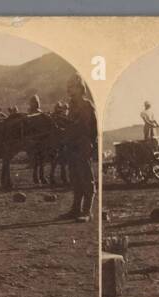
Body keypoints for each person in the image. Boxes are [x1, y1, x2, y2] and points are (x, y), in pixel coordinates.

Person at [59, 74, 97, 221]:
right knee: (75, 178)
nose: (69, 89)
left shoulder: (86, 105)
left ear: (80, 88)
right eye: (68, 87)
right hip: (72, 145)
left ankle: (87, 212)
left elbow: (86, 127)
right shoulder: (72, 105)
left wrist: (70, 126)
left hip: (83, 144)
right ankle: (76, 209)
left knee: (86, 178)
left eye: (72, 87)